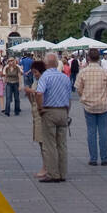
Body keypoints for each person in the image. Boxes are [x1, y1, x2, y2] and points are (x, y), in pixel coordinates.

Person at [34, 53, 72, 182]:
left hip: (49, 111)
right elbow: (69, 98)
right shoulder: (65, 77)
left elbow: (39, 93)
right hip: (63, 111)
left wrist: (40, 108)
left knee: (50, 144)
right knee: (62, 144)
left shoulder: (45, 77)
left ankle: (52, 174)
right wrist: (67, 112)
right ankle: (62, 173)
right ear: (56, 64)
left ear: (45, 64)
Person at [75, 47, 107, 165]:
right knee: (103, 132)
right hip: (103, 105)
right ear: (99, 58)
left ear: (88, 58)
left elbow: (78, 89)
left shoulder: (83, 72)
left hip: (89, 106)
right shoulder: (105, 72)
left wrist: (84, 97)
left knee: (91, 132)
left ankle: (93, 158)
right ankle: (104, 158)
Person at [25, 60, 48, 178]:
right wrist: (29, 94)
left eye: (36, 72)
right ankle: (47, 166)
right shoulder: (36, 80)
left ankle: (46, 167)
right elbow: (33, 100)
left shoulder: (44, 80)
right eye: (33, 72)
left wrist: (31, 91)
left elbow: (41, 94)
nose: (34, 74)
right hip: (35, 113)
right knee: (40, 141)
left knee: (43, 141)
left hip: (41, 113)